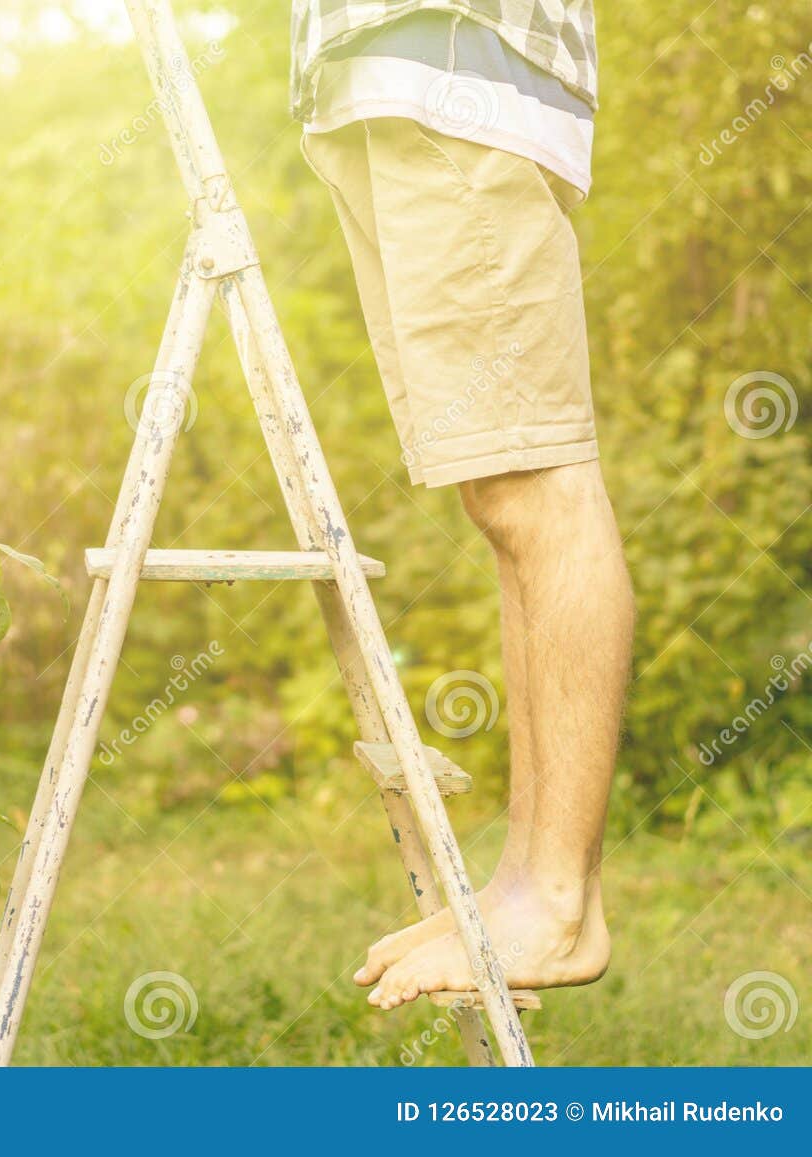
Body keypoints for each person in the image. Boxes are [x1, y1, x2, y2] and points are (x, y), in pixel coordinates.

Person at [289, 1, 633, 1009]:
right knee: (504, 493)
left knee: (537, 482)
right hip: (392, 73)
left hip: (450, 64)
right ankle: (531, 885)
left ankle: (557, 898)